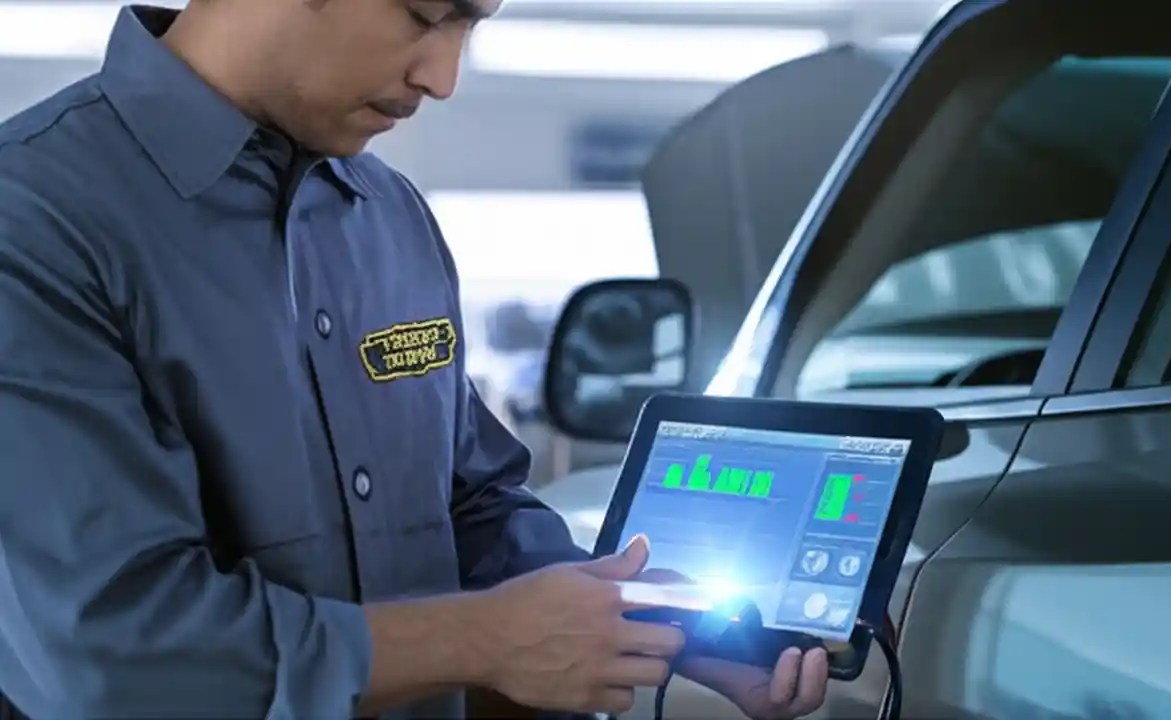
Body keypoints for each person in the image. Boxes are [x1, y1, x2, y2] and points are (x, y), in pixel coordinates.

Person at [0, 1, 830, 718]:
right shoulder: (33, 222)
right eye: (426, 17)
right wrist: (488, 638)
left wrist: (659, 623)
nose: (444, 77)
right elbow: (114, 654)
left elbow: (467, 507)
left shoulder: (388, 217)